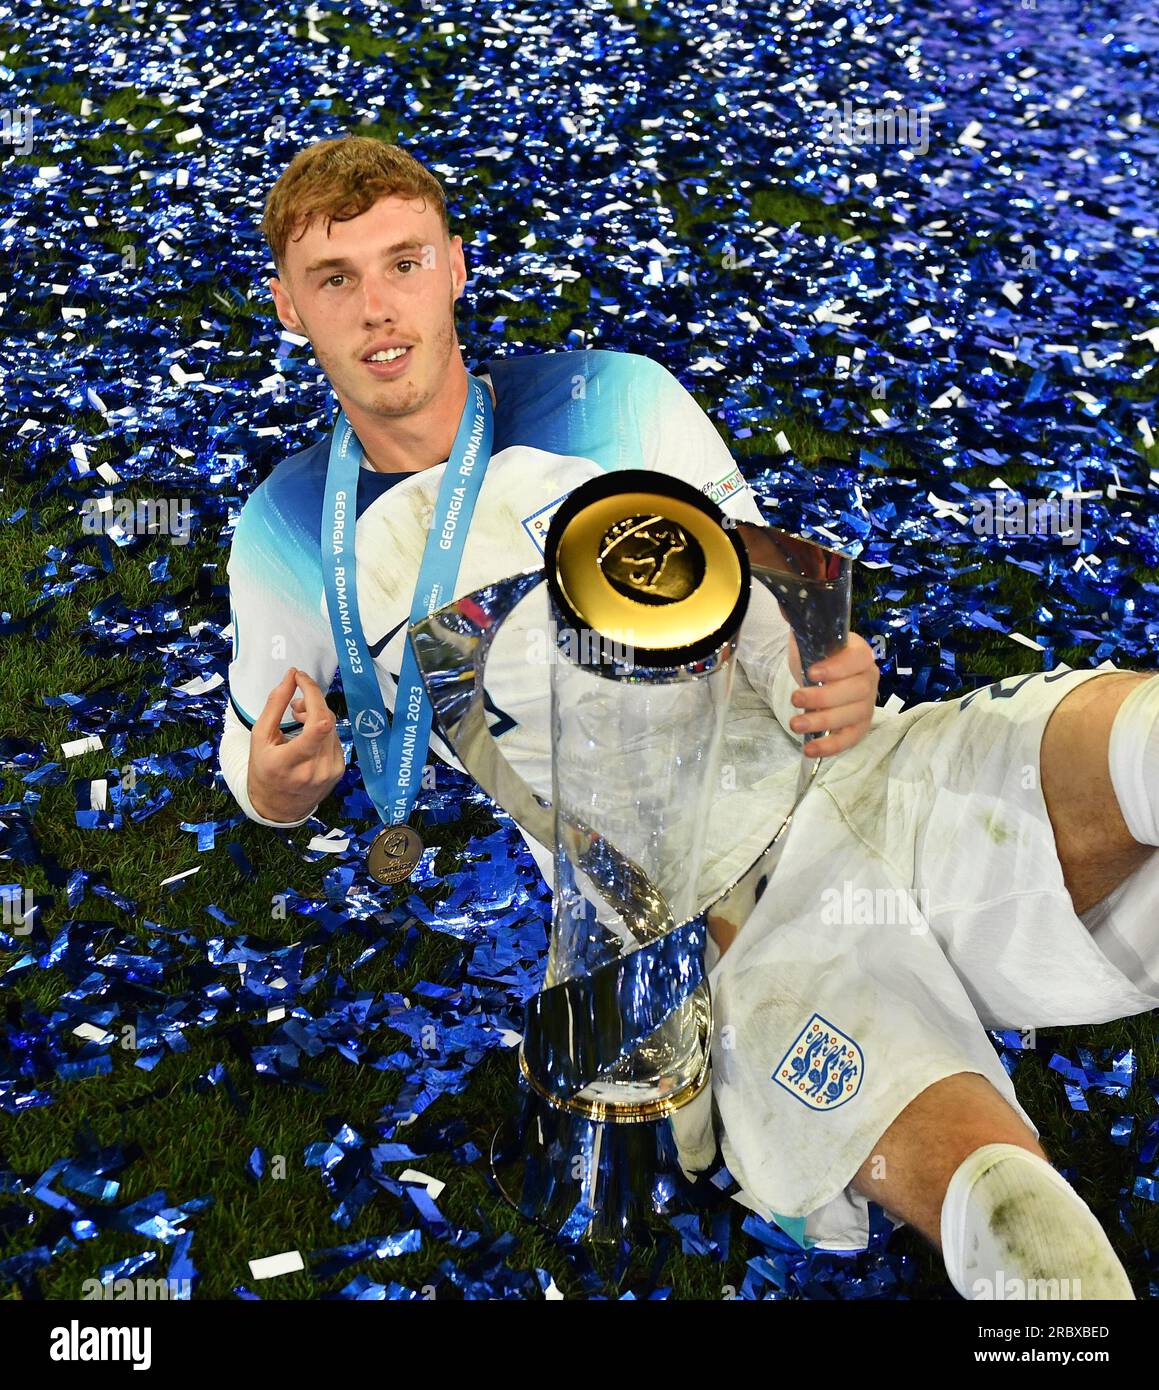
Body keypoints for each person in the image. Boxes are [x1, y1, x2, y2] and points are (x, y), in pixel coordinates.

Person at [219, 133, 1159, 1299]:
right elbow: (250, 765)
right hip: (698, 903)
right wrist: (282, 782)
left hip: (856, 764)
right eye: (335, 278)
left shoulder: (620, 395)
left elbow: (767, 598)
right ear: (287, 305)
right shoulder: (285, 529)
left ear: (456, 266)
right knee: (1004, 1201)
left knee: (1133, 731)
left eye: (402, 262)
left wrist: (837, 664)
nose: (376, 307)